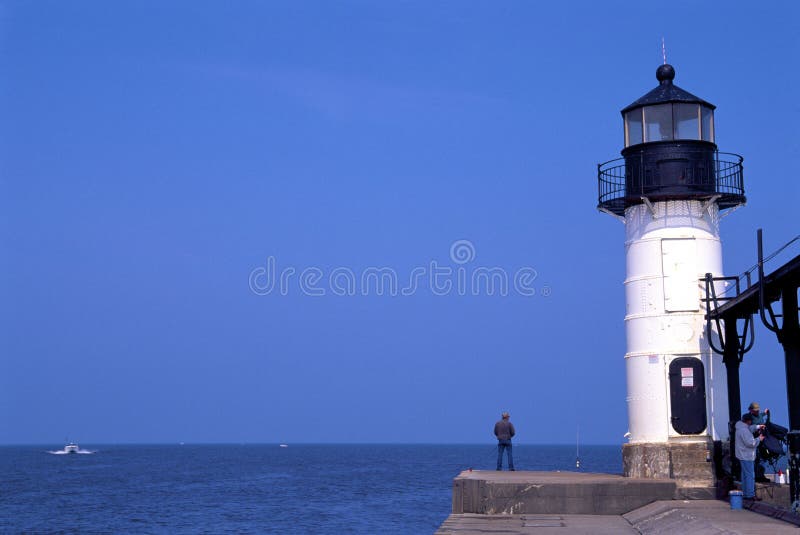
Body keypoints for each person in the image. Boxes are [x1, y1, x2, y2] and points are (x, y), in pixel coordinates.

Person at [736, 412, 765, 501]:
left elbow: (750, 428)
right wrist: (759, 439)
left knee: (745, 475)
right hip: (747, 456)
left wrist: (758, 426)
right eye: (751, 421)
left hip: (742, 455)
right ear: (748, 421)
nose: (751, 422)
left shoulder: (740, 426)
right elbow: (751, 443)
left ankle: (745, 494)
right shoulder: (744, 431)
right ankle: (750, 495)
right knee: (750, 476)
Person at [747, 402, 771, 483]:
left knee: (762, 458)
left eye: (758, 410)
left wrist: (765, 412)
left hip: (762, 440)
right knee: (756, 458)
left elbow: (762, 414)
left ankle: (760, 475)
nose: (757, 411)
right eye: (755, 410)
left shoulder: (759, 415)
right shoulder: (749, 418)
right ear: (751, 410)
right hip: (754, 440)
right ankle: (756, 476)